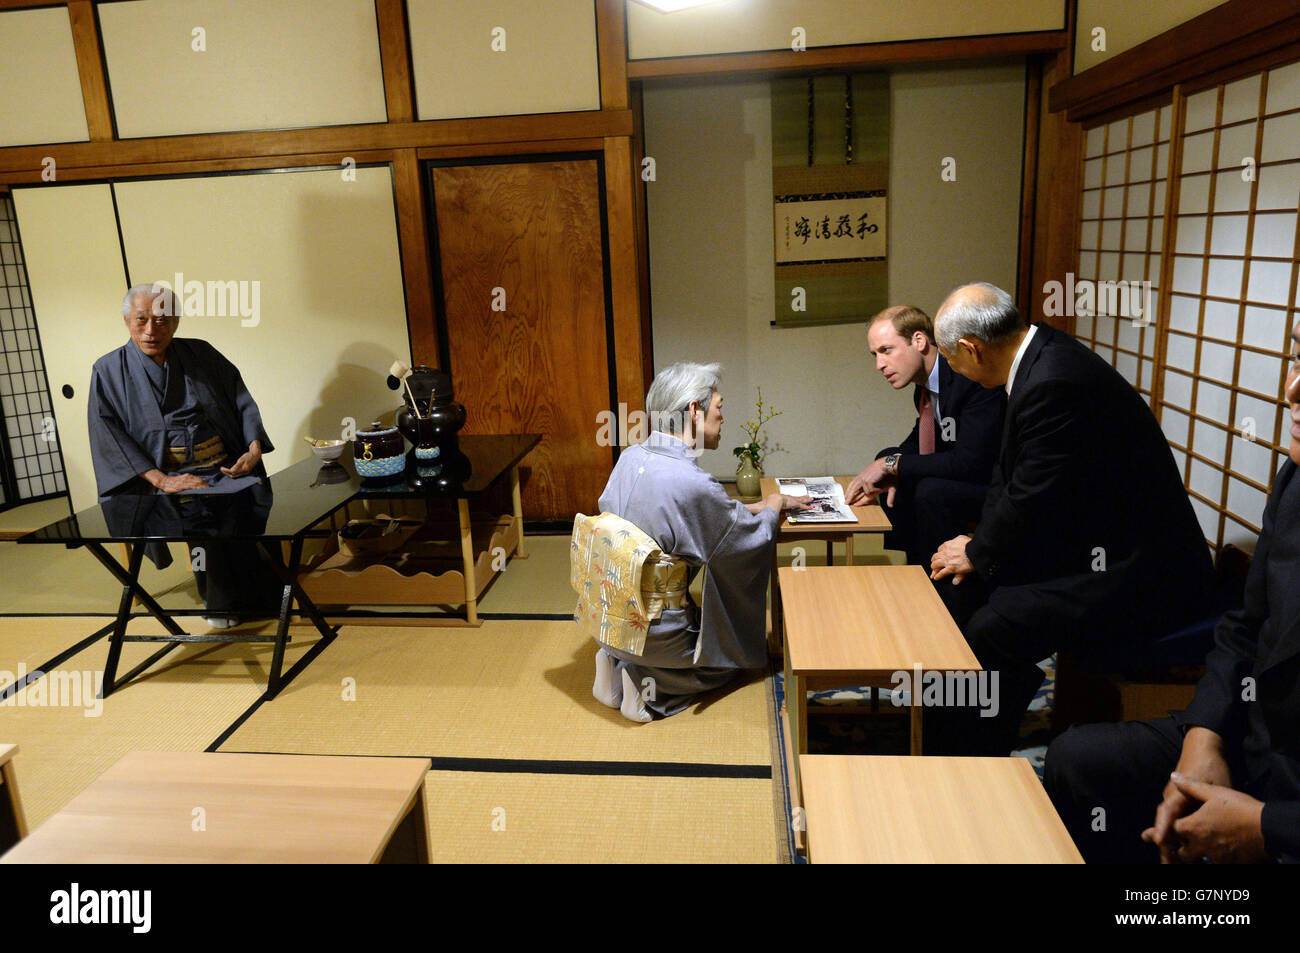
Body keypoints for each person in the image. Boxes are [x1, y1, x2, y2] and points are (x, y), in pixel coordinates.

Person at [1044, 321, 1300, 864]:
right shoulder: (1295, 480)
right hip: (1254, 737)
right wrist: (1203, 739)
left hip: (1289, 798)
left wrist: (1267, 827)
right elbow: (1244, 628)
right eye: (1297, 359)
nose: (1292, 390)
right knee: (1079, 758)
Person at [926, 282, 1216, 755]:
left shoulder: (1054, 380)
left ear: (970, 349)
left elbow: (1033, 495)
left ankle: (977, 753)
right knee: (961, 587)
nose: (951, 369)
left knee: (993, 625)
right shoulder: (1037, 357)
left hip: (1139, 570)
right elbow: (1010, 476)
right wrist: (975, 547)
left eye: (950, 359)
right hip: (1092, 545)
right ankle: (952, 729)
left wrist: (978, 552)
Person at [591, 362, 808, 722]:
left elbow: (700, 515)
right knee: (726, 666)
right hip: (655, 632)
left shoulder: (629, 458)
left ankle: (613, 662)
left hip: (609, 619)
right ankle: (649, 688)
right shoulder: (692, 482)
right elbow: (743, 542)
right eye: (719, 407)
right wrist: (773, 506)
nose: (723, 417)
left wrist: (745, 507)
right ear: (695, 410)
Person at [88, 284, 282, 627]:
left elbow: (240, 397)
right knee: (204, 513)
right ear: (126, 321)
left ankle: (268, 595)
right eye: (142, 320)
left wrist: (252, 448)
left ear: (175, 322)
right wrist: (163, 480)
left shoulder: (201, 354)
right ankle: (220, 602)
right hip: (161, 478)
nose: (152, 330)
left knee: (250, 501)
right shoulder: (108, 371)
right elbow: (110, 435)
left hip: (223, 465)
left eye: (162, 321)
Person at [845, 305, 1004, 567]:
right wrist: (888, 463)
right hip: (965, 471)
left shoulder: (967, 378)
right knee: (887, 458)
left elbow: (970, 463)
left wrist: (893, 466)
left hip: (993, 484)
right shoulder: (924, 386)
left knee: (929, 489)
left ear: (918, 340)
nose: (879, 365)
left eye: (886, 350)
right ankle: (915, 563)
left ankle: (938, 575)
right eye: (874, 354)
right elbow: (921, 437)